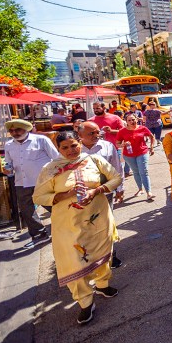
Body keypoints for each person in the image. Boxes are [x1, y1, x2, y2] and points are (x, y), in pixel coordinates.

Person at [32, 131, 122, 325]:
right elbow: (38, 197)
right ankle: (85, 302)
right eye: (64, 147)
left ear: (80, 142)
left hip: (98, 219)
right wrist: (66, 195)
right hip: (68, 225)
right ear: (58, 149)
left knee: (103, 252)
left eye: (74, 145)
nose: (71, 150)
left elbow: (116, 177)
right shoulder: (50, 169)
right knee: (75, 261)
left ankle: (103, 284)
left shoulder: (94, 160)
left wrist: (97, 190)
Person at [2, 119, 60, 248]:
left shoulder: (41, 140)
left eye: (17, 129)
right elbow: (8, 163)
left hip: (43, 181)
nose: (14, 133)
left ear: (26, 129)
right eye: (11, 130)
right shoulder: (9, 145)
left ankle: (67, 228)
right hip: (21, 182)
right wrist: (7, 169)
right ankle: (39, 235)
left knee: (53, 206)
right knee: (27, 210)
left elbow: (56, 158)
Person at [78, 122, 125, 268]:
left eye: (97, 132)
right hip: (82, 196)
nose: (96, 135)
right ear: (80, 135)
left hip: (105, 192)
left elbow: (117, 168)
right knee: (87, 226)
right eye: (91, 133)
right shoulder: (74, 150)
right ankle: (90, 258)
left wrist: (120, 188)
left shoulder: (108, 146)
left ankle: (110, 255)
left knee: (107, 224)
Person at [116, 113, 155, 201]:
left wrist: (151, 147)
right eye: (129, 120)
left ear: (136, 119)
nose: (132, 122)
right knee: (136, 172)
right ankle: (140, 189)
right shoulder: (122, 131)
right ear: (126, 122)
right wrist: (123, 144)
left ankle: (149, 192)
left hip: (142, 152)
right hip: (129, 155)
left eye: (133, 119)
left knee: (143, 171)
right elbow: (117, 144)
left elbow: (151, 137)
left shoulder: (142, 128)